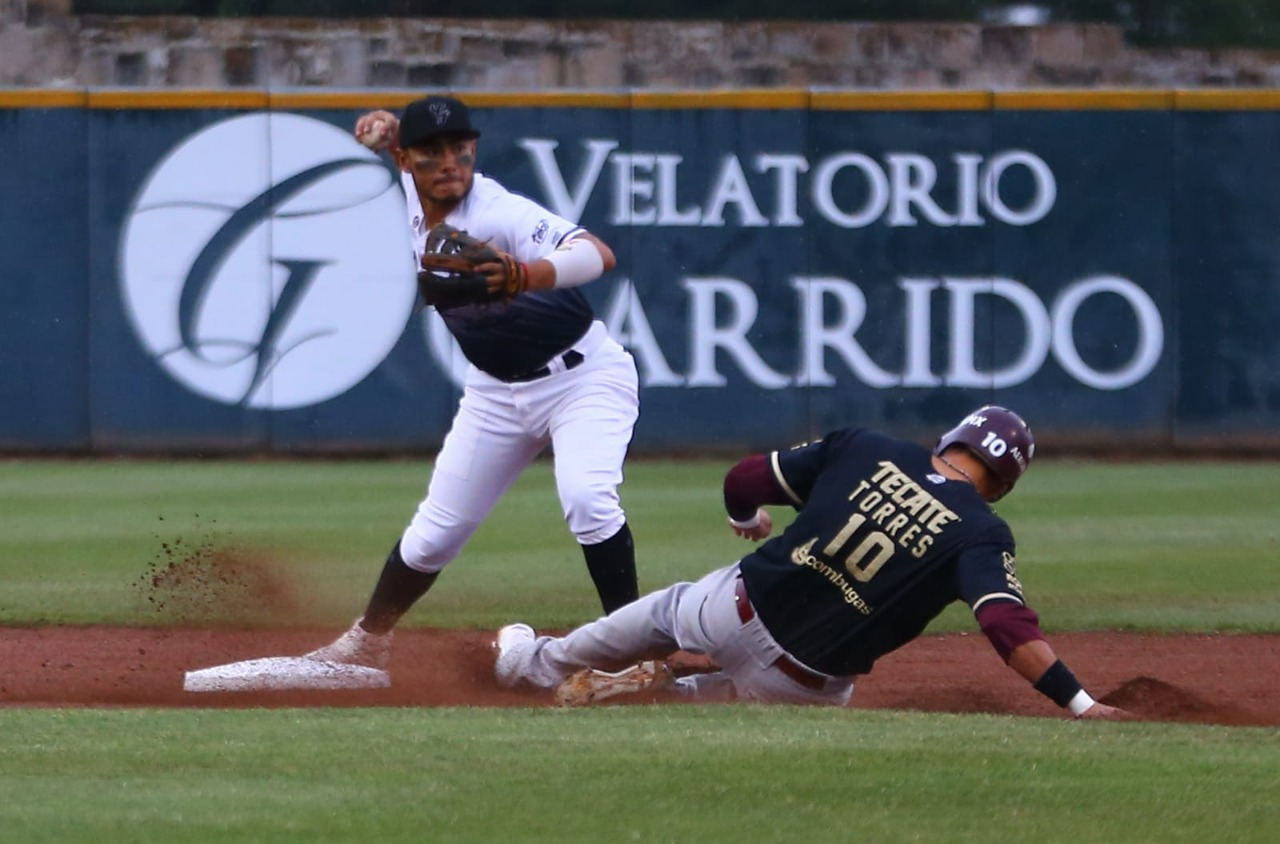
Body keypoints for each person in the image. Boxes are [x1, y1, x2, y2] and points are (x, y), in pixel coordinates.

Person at [493, 405, 1131, 720]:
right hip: (801, 686)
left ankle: (538, 664)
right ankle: (661, 694)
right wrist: (1080, 703)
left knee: (669, 610)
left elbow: (744, 479)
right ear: (1001, 485)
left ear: (950, 440)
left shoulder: (866, 447)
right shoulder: (981, 532)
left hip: (734, 611)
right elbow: (1007, 628)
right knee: (723, 698)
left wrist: (747, 519)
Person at [306, 94, 640, 669]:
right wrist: (387, 132)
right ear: (409, 161)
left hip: (582, 378)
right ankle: (367, 641)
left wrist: (525, 274)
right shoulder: (415, 189)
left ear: (474, 150)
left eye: (459, 149)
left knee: (588, 499)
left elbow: (596, 253)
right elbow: (403, 156)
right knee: (432, 537)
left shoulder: (497, 212)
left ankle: (636, 652)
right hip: (496, 391)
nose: (449, 163)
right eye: (432, 153)